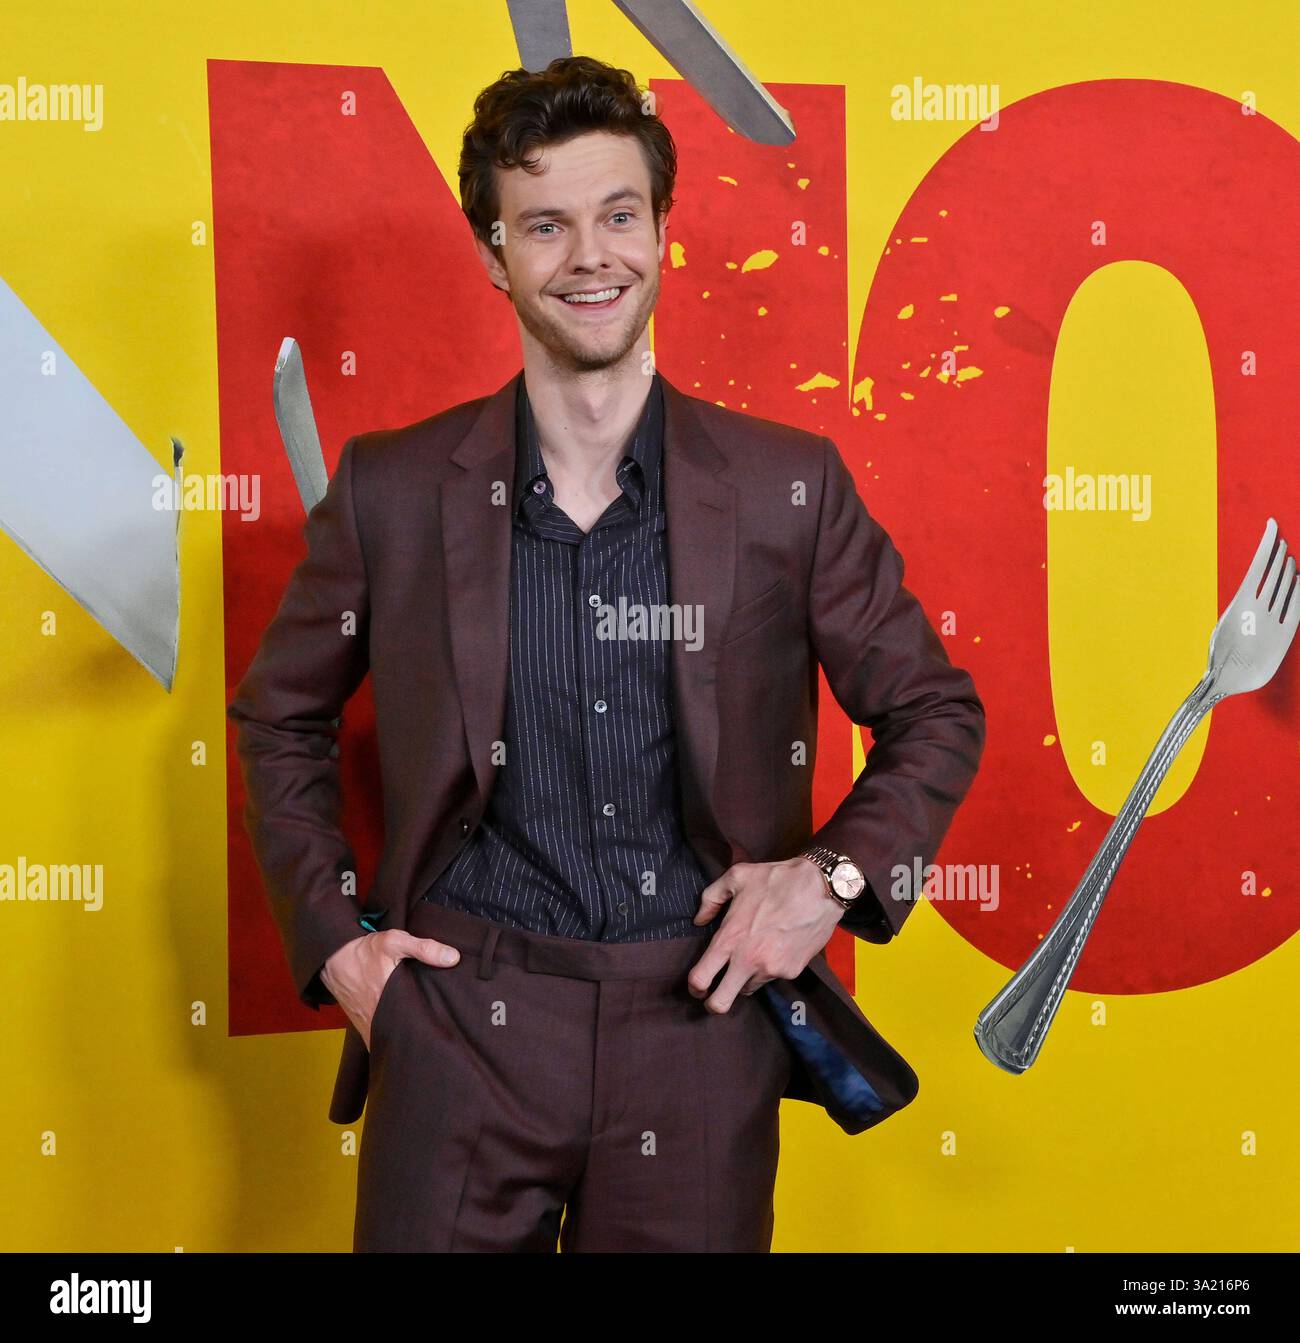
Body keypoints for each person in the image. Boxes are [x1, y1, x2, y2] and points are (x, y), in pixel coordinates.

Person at [227, 54, 986, 1253]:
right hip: (460, 1027)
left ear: (663, 232)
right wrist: (338, 942)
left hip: (696, 1029)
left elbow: (934, 710)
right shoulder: (392, 486)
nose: (591, 256)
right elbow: (278, 716)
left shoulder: (789, 485)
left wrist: (827, 879)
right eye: (546, 225)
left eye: (618, 215)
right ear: (494, 254)